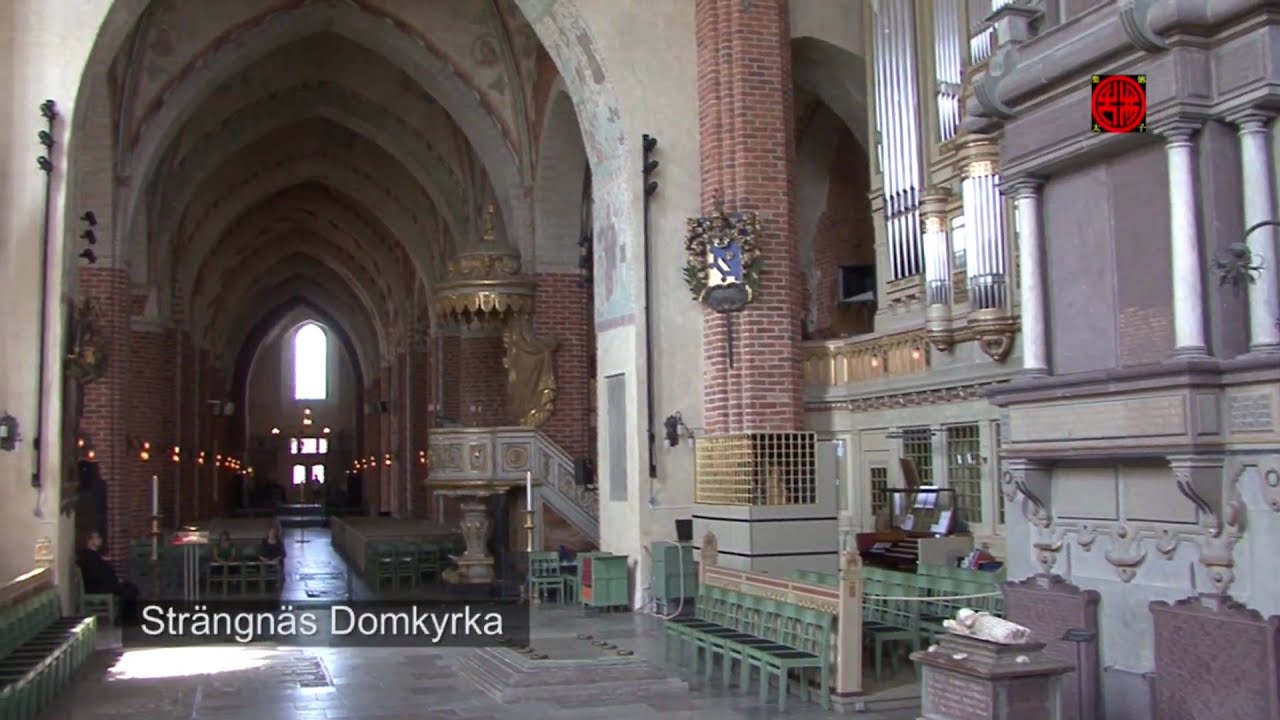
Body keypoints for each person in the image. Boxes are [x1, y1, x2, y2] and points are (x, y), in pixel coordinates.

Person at [76, 531, 138, 623]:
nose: (100, 540)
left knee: (130, 587)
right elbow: (96, 574)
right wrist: (114, 580)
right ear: (90, 541)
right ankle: (125, 619)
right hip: (97, 586)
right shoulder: (88, 555)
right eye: (97, 537)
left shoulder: (94, 555)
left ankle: (126, 617)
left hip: (104, 584)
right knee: (130, 589)